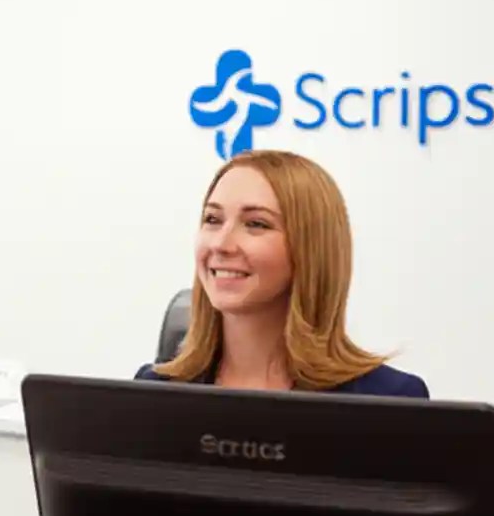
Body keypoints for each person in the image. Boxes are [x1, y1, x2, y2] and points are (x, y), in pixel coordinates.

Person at [135, 149, 428, 398]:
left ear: (311, 248)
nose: (221, 244)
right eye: (213, 219)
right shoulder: (154, 390)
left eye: (256, 224)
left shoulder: (388, 398)